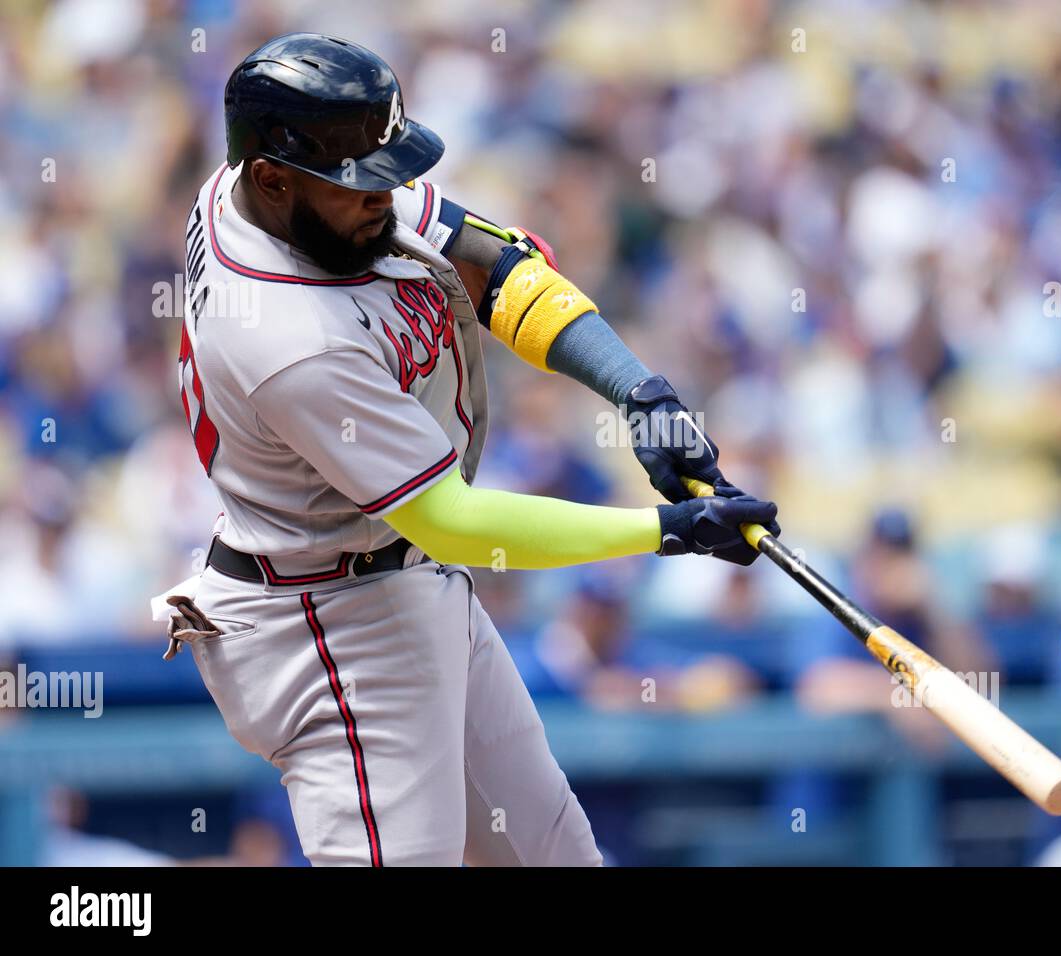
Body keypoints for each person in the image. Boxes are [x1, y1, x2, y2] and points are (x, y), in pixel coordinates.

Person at [154, 33, 777, 867]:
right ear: (271, 176)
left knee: (555, 855)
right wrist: (667, 531)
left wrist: (640, 395)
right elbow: (452, 521)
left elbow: (495, 266)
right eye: (358, 183)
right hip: (327, 629)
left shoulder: (268, 189)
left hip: (396, 572)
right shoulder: (286, 337)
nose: (384, 197)